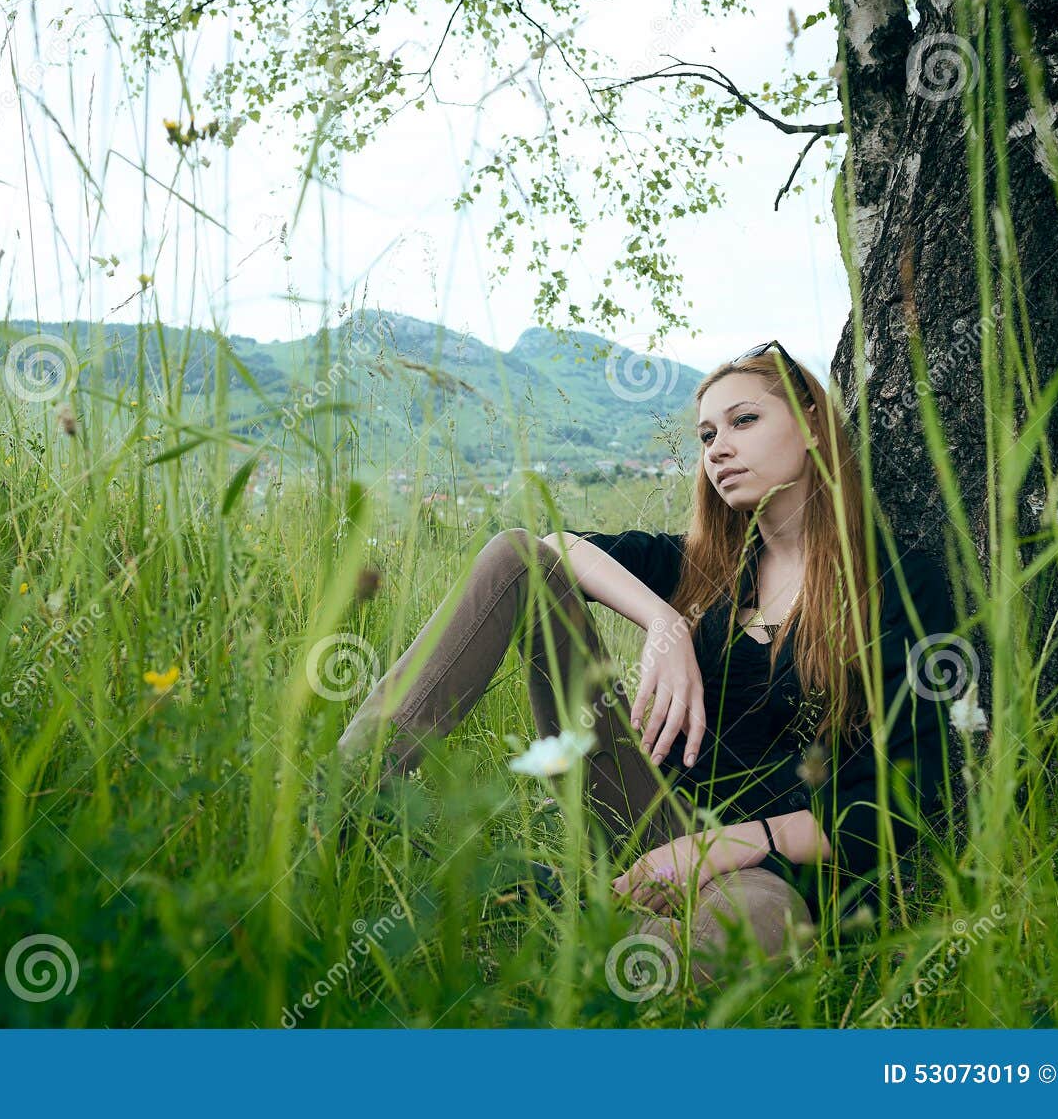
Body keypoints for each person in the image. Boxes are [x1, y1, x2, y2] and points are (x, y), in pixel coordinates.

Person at [335, 342, 957, 986]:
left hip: (763, 868)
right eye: (707, 434)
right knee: (512, 557)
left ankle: (590, 940)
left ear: (812, 428)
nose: (716, 448)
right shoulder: (707, 565)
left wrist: (707, 851)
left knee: (736, 939)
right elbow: (548, 549)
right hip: (643, 819)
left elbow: (898, 803)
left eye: (744, 422)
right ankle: (337, 804)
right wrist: (664, 622)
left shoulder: (894, 587)